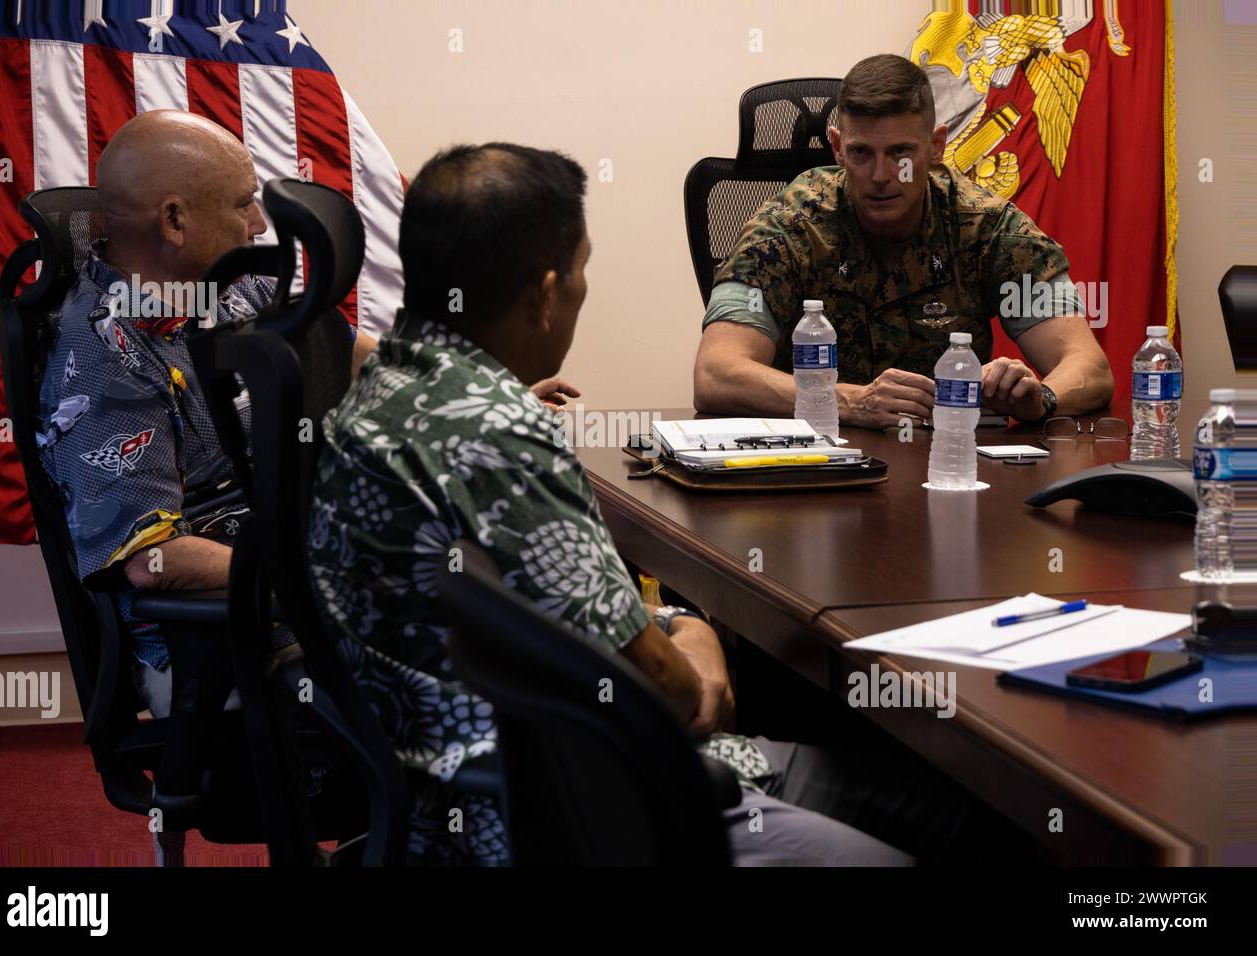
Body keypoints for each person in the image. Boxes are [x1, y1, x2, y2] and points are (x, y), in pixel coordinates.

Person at [307, 142, 934, 866]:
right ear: (545, 293)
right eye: (580, 272)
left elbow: (571, 614)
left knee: (928, 799)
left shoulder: (382, 390)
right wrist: (694, 638)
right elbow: (671, 695)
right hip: (579, 808)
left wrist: (672, 617)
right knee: (945, 828)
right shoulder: (501, 435)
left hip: (472, 780)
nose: (580, 290)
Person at [37, 109, 381, 716]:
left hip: (291, 554)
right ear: (174, 220)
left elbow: (344, 351)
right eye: (243, 203)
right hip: (219, 639)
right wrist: (322, 582)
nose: (257, 224)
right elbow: (153, 560)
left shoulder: (220, 284)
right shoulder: (103, 358)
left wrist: (473, 389)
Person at [693, 53, 1114, 428]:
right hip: (814, 465)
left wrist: (1040, 398)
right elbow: (716, 372)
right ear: (838, 149)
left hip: (948, 462)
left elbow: (1088, 367)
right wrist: (849, 401)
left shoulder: (987, 228)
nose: (881, 175)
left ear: (936, 146)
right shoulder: (788, 227)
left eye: (901, 153)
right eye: (861, 153)